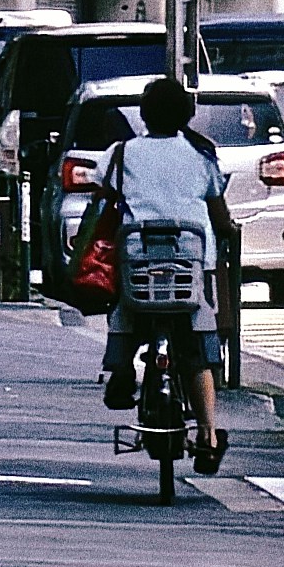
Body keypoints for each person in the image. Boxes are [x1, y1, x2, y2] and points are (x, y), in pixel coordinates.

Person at [94, 77, 226, 470]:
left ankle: (120, 370)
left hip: (137, 261)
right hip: (191, 265)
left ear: (144, 115)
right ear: (187, 115)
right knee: (199, 351)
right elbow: (218, 210)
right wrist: (228, 230)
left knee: (124, 307)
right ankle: (208, 435)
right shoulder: (201, 154)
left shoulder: (122, 154)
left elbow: (102, 197)